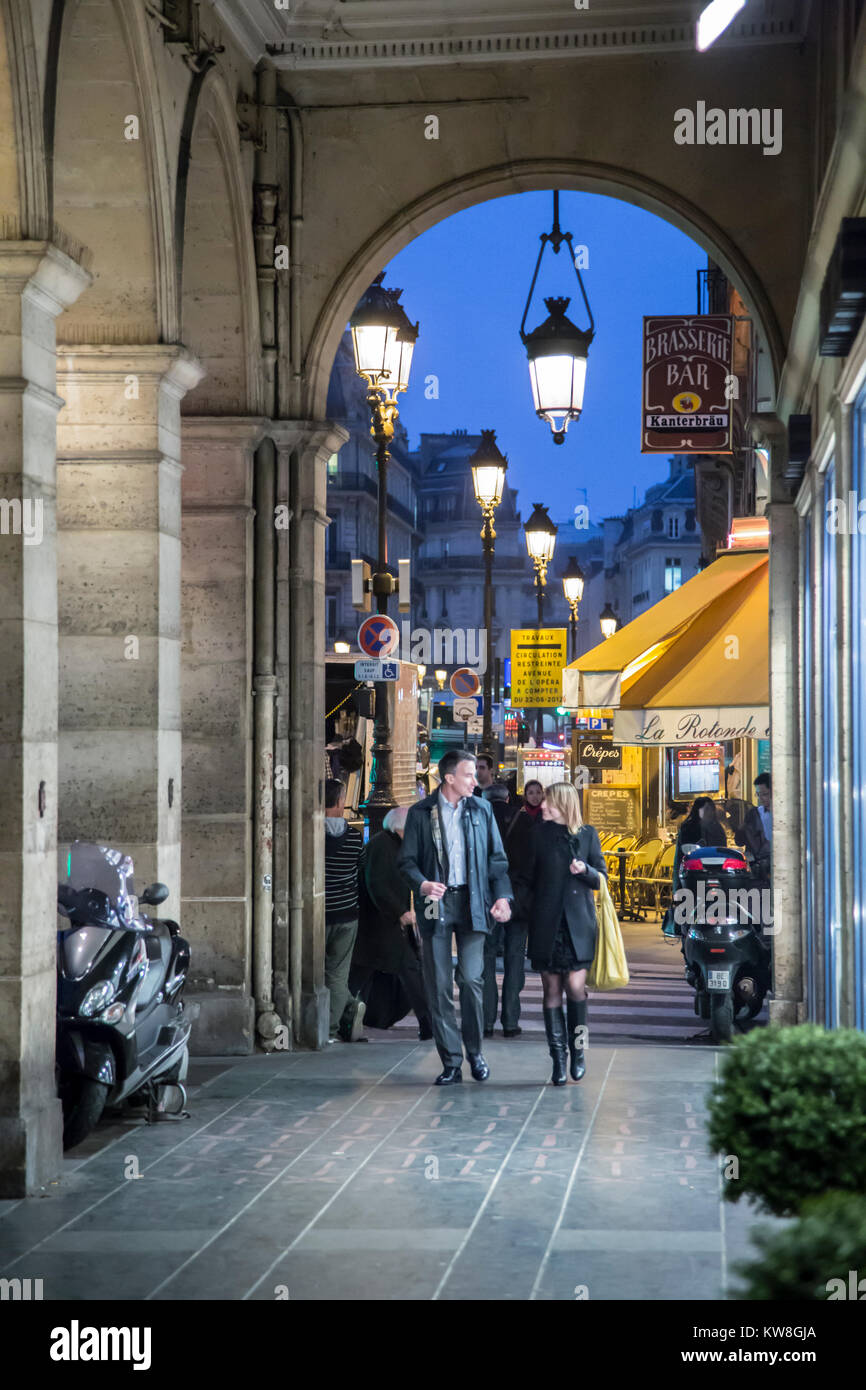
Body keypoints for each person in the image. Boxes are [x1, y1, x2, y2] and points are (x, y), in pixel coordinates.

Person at [398, 750, 513, 1085]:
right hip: (436, 903)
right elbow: (406, 861)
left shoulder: (482, 809)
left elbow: (498, 860)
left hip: (473, 900)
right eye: (468, 775)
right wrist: (421, 884)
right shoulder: (421, 813)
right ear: (449, 778)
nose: (475, 781)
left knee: (471, 980)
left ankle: (475, 1052)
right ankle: (451, 1060)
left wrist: (503, 897)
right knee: (438, 985)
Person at [524, 781, 607, 1085]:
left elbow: (602, 878)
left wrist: (584, 870)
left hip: (578, 926)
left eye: (549, 801)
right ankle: (558, 1058)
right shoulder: (536, 835)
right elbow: (526, 879)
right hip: (546, 923)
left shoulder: (587, 835)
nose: (542, 805)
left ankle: (579, 1051)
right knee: (551, 992)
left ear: (565, 804)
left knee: (575, 988)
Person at [352, 806, 433, 1041]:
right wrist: (400, 913)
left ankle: (341, 1021)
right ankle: (427, 1025)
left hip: (384, 924)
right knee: (407, 970)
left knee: (364, 973)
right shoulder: (382, 846)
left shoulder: (392, 845)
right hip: (381, 924)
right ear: (401, 828)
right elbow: (377, 884)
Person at [481, 783, 528, 1038]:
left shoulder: (480, 822)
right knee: (515, 958)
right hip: (519, 900)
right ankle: (510, 1021)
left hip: (489, 899)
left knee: (487, 958)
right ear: (508, 797)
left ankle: (487, 1021)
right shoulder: (524, 821)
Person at [323, 779, 366, 1042]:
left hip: (317, 915)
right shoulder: (353, 837)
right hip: (347, 912)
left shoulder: (310, 834)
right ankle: (330, 1028)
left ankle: (343, 1010)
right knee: (338, 973)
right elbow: (361, 869)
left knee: (314, 971)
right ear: (340, 803)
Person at [672, 795, 727, 884]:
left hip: (714, 872)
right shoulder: (688, 828)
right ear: (698, 810)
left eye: (712, 809)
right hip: (692, 872)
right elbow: (683, 855)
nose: (710, 812)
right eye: (707, 809)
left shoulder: (717, 829)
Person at [735, 773, 772, 880]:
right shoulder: (753, 814)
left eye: (764, 794)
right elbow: (739, 841)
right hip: (758, 870)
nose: (761, 798)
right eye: (758, 794)